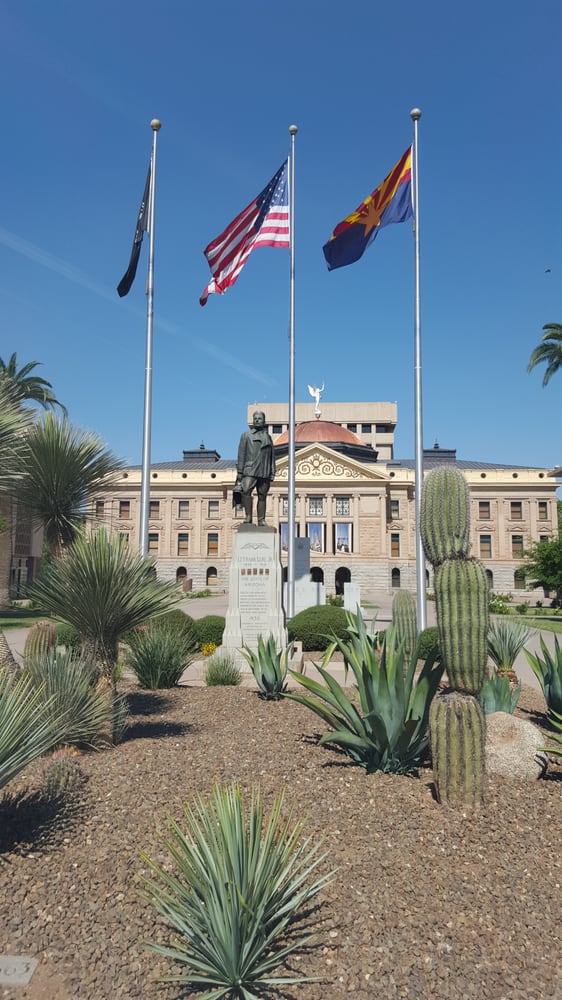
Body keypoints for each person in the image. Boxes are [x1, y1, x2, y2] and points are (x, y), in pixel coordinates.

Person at [234, 411, 275, 525]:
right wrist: (240, 472)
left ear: (264, 421)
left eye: (260, 418)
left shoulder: (268, 437)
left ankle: (261, 519)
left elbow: (272, 456)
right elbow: (241, 454)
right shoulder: (246, 436)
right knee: (246, 491)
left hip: (264, 470)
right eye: (255, 418)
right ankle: (248, 516)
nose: (257, 420)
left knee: (262, 495)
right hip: (250, 469)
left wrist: (272, 471)